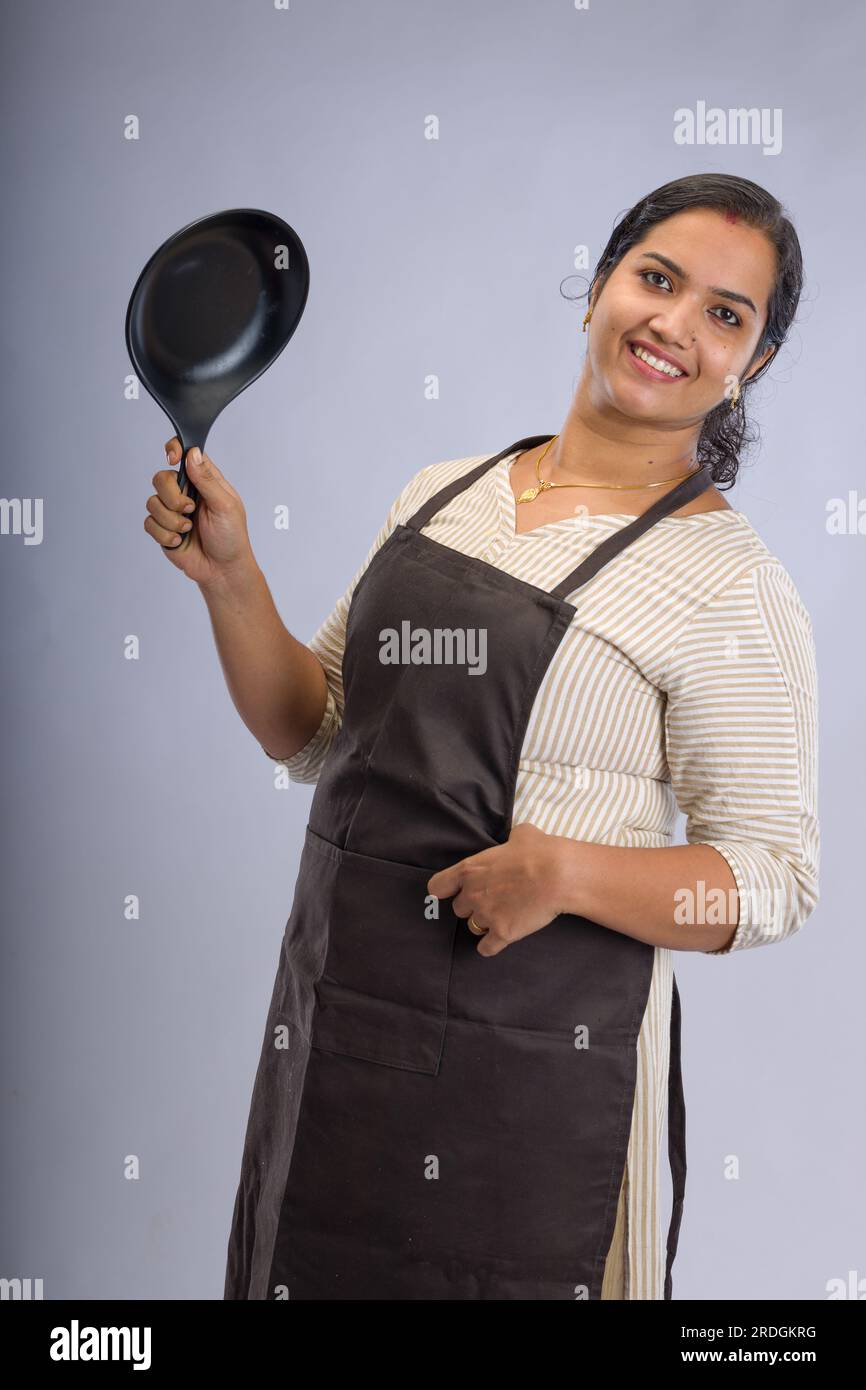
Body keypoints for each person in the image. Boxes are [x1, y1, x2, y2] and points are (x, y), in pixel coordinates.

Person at [144, 173, 820, 1301]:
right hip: (341, 1042)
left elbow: (773, 878)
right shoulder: (444, 490)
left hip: (542, 1093)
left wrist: (562, 871)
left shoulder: (729, 587)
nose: (673, 326)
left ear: (748, 363)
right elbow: (311, 730)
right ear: (600, 281)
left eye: (724, 314)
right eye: (655, 279)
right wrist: (230, 577)